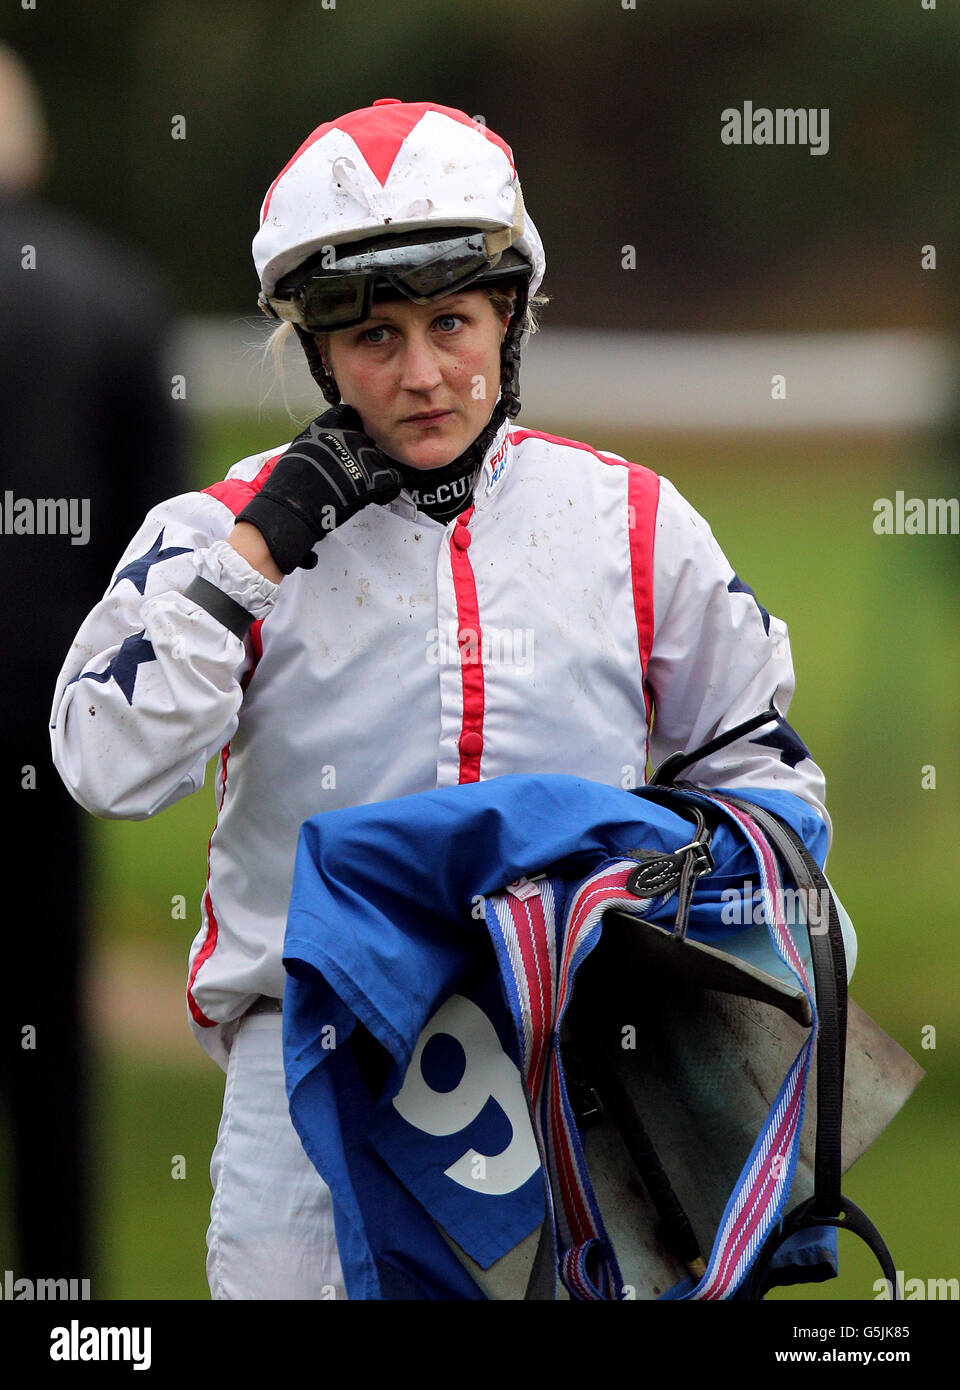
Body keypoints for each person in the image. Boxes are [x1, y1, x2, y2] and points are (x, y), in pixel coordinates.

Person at [50, 99, 837, 1300]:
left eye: (453, 323)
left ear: (510, 315)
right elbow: (106, 763)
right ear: (315, 350)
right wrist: (257, 557)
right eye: (373, 339)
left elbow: (773, 789)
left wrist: (668, 909)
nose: (423, 375)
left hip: (579, 1067)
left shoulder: (632, 521)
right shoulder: (215, 530)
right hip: (310, 1074)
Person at [0, 41, 185, 1288]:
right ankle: (69, 1301)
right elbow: (158, 545)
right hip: (42, 710)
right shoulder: (114, 297)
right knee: (44, 1028)